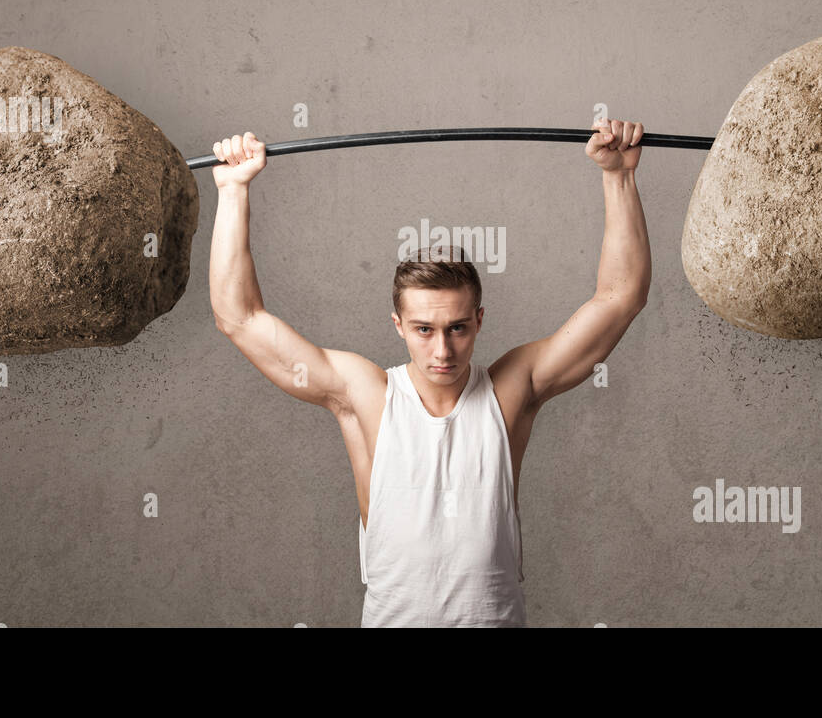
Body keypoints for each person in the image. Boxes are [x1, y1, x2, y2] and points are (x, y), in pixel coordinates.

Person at [208, 117, 650, 626]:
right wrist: (233, 191)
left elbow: (621, 298)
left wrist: (618, 177)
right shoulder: (366, 395)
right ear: (397, 324)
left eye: (458, 328)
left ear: (480, 320)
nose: (442, 350)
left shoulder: (510, 390)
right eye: (423, 330)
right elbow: (238, 317)